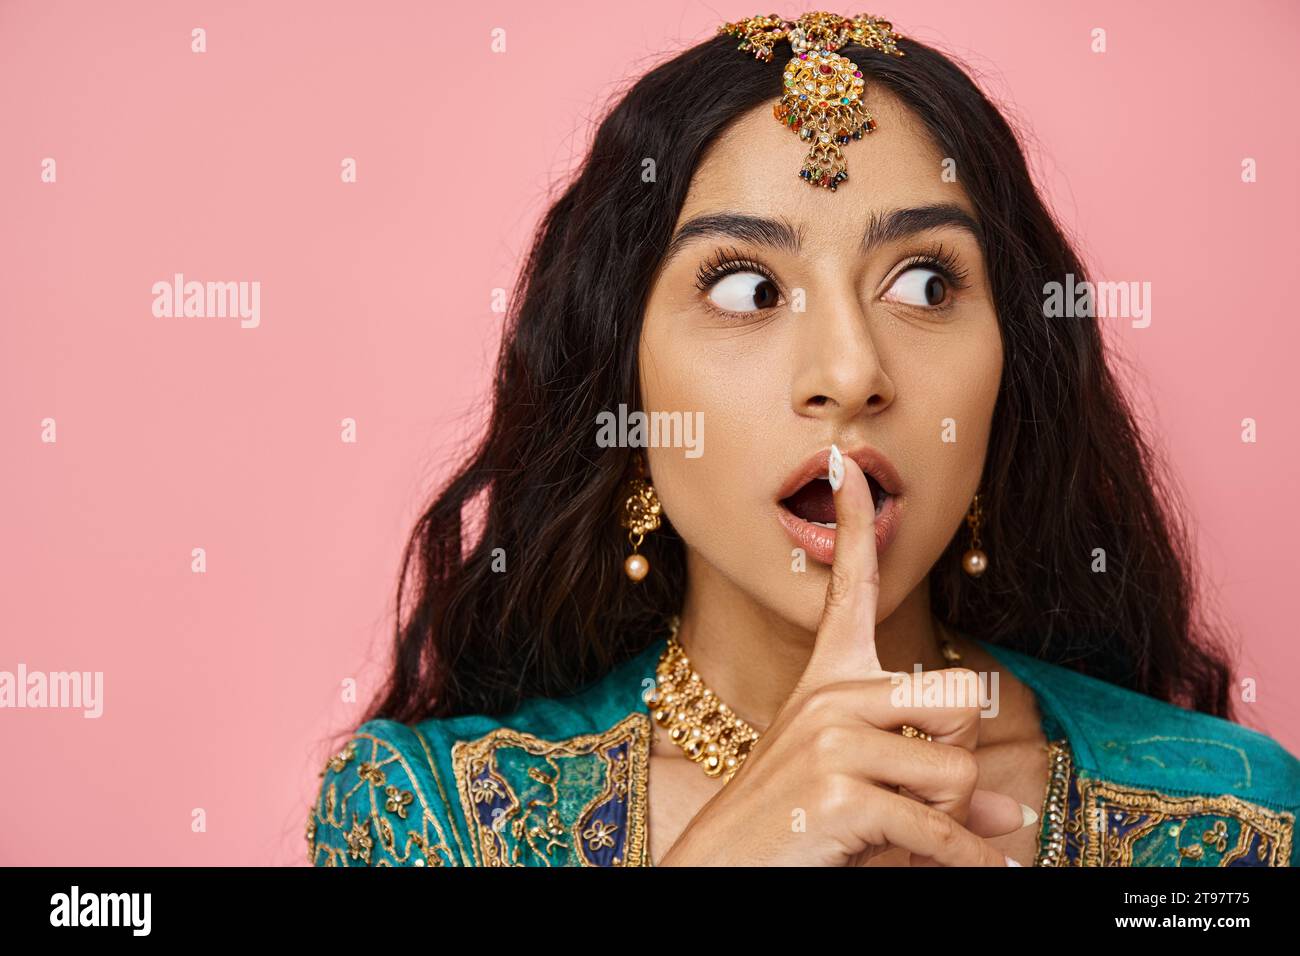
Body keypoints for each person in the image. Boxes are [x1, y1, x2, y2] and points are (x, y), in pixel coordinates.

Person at [306, 12, 1299, 867]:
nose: (851, 370)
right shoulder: (429, 819)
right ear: (626, 384)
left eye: (925, 282)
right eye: (747, 288)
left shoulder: (1229, 825)